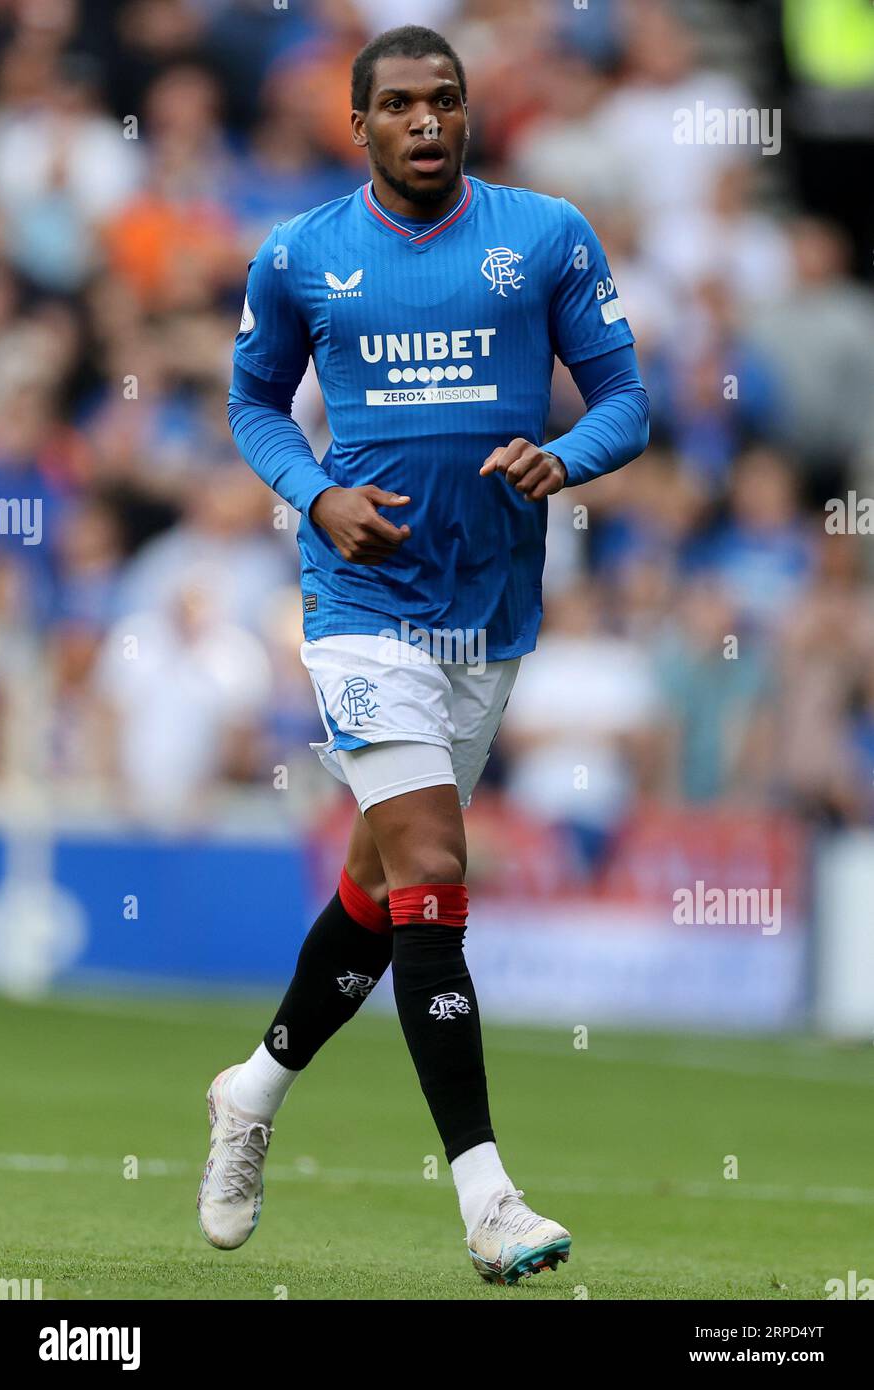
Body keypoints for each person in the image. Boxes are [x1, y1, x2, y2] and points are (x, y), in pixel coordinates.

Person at [198, 24, 649, 1286]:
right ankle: (488, 1196)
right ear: (360, 124)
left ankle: (252, 1088)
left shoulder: (545, 235)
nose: (425, 121)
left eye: (444, 100)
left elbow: (627, 394)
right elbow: (249, 401)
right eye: (398, 104)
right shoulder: (300, 256)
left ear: (468, 111)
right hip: (356, 604)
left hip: (487, 617)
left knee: (380, 884)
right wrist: (313, 491)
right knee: (439, 868)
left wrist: (567, 455)